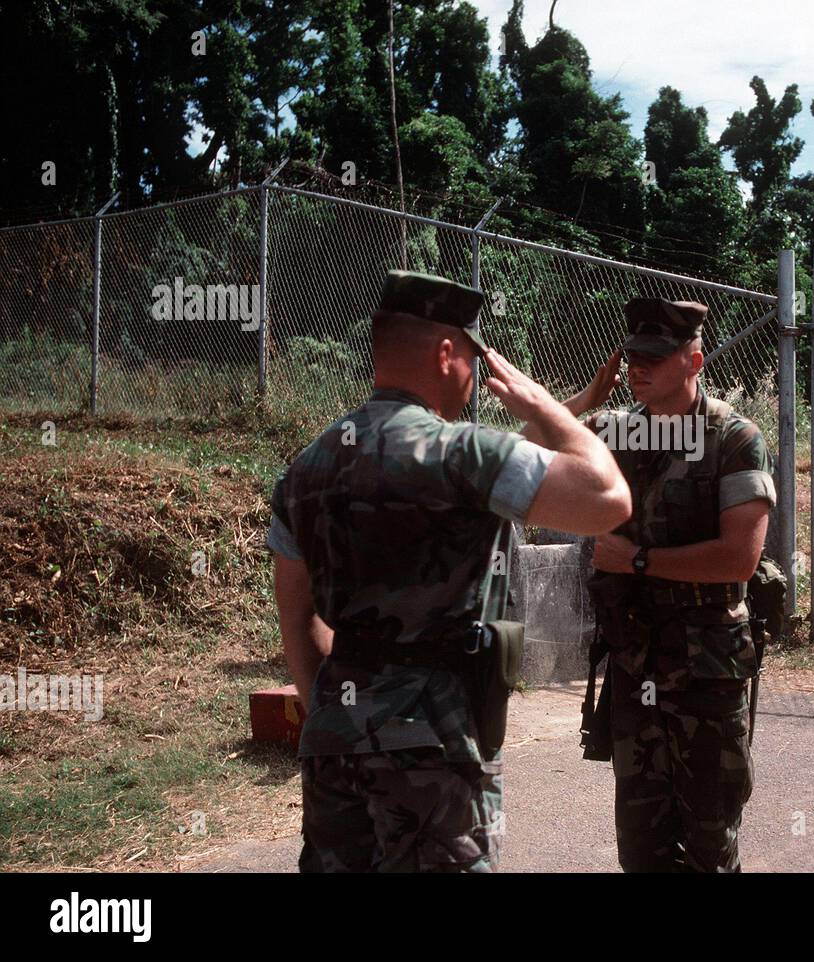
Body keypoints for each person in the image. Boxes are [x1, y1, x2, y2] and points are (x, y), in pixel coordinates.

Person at [266, 270, 631, 872]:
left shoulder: (307, 467)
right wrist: (543, 402)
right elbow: (607, 496)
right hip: (436, 740)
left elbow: (297, 618)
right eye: (472, 358)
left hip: (333, 742)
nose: (475, 378)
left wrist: (341, 714)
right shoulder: (463, 452)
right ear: (445, 354)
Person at [522, 297, 776, 872]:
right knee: (641, 850)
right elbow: (523, 453)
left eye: (655, 358)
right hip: (635, 669)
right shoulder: (615, 434)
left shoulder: (734, 439)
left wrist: (639, 561)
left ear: (694, 361)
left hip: (705, 675)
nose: (639, 369)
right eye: (632, 356)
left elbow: (739, 557)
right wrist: (589, 397)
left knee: (710, 846)